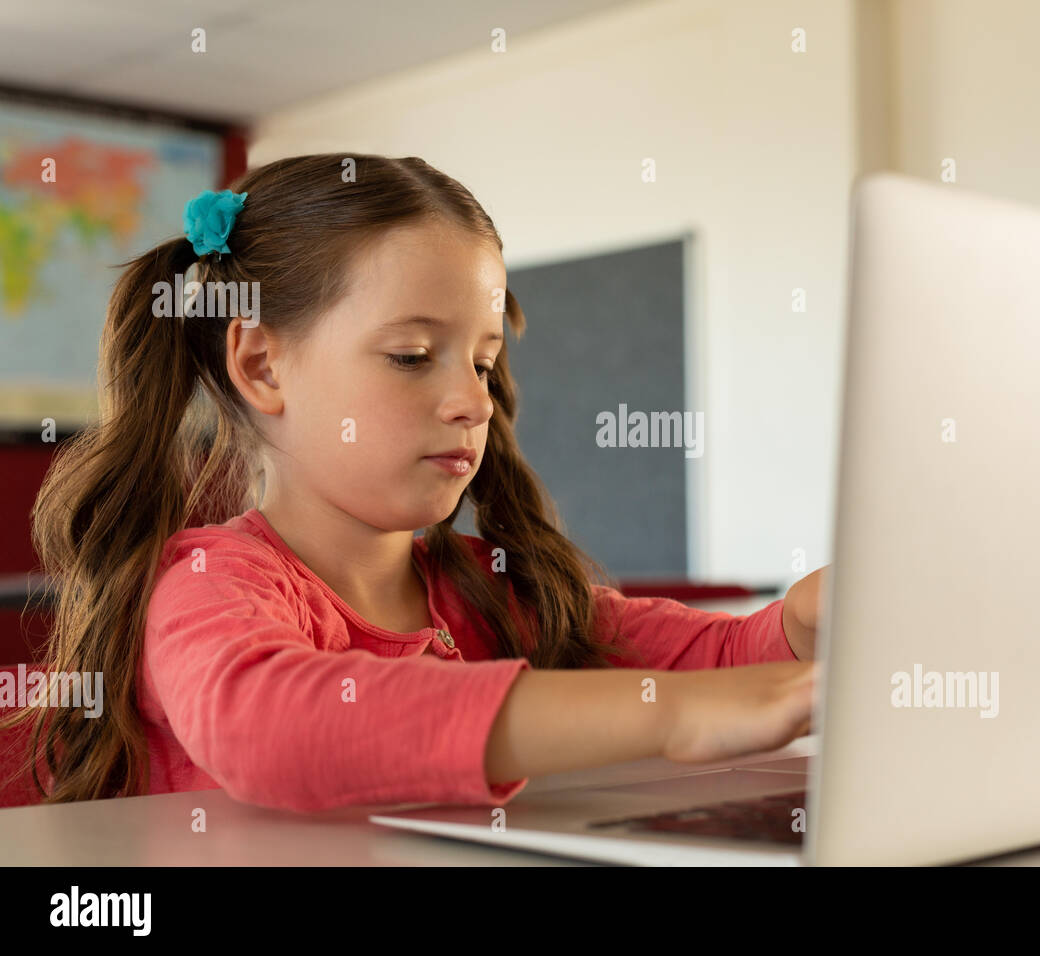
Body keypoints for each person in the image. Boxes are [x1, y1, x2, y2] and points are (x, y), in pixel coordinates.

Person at [0, 154, 822, 812]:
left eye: (483, 362)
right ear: (260, 365)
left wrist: (808, 620)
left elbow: (726, 663)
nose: (472, 401)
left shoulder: (501, 593)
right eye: (411, 357)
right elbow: (271, 727)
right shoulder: (215, 583)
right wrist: (667, 717)